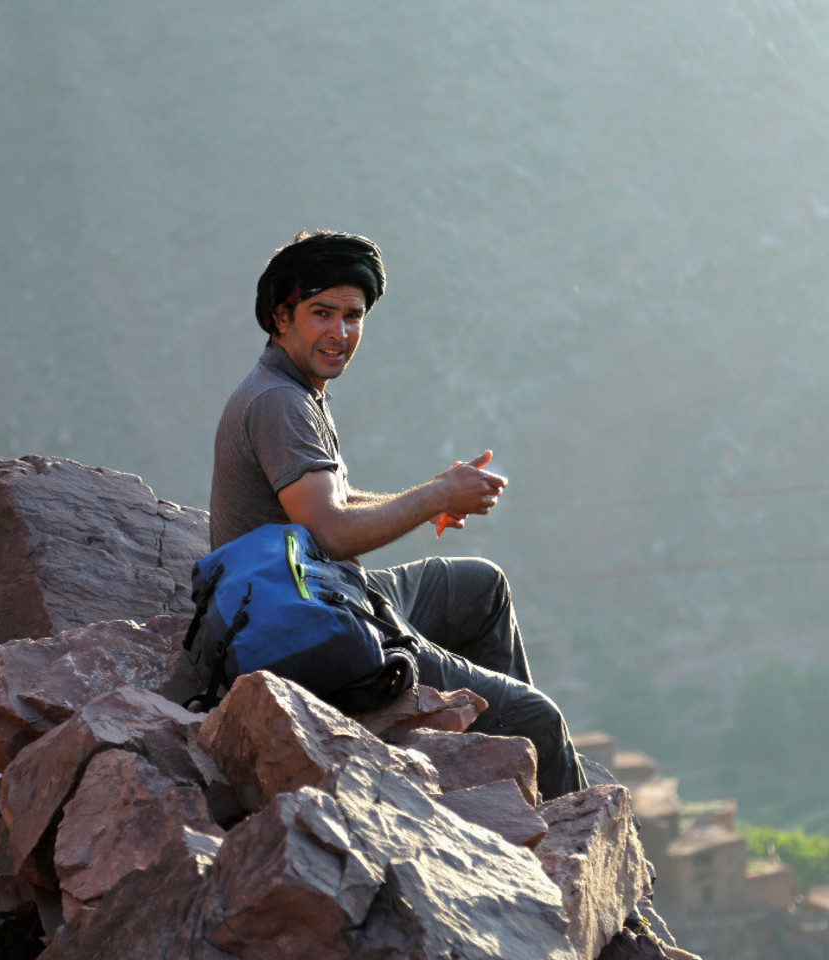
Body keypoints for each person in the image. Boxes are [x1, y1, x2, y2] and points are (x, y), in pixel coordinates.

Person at [209, 230, 587, 800]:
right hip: (302, 629)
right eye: (321, 314)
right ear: (280, 318)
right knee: (539, 717)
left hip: (316, 593)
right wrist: (435, 498)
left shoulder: (293, 387)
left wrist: (435, 491)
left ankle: (495, 759)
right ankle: (547, 812)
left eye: (353, 316)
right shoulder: (278, 403)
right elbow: (331, 531)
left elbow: (332, 497)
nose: (339, 333)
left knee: (479, 588)